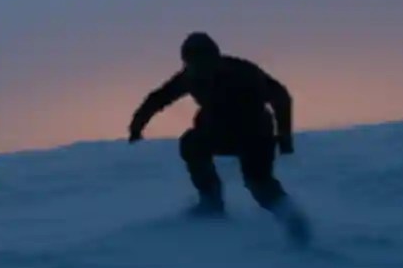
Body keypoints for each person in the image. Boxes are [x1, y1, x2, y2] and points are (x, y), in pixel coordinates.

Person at [128, 32, 310, 241]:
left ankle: (294, 221)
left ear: (216, 58)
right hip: (221, 133)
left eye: (205, 63)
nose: (200, 70)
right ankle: (211, 202)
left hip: (255, 135)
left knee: (259, 184)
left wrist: (285, 138)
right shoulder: (189, 77)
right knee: (191, 143)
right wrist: (137, 126)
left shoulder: (242, 73)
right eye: (194, 64)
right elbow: (159, 98)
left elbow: (281, 96)